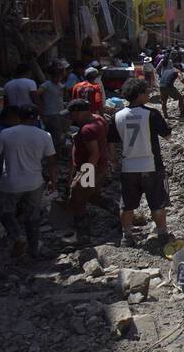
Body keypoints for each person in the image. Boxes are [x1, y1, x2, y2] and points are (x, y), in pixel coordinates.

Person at [107, 78, 173, 246]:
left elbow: (112, 143)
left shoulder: (117, 116)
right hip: (151, 166)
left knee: (127, 204)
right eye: (147, 92)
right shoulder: (151, 114)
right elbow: (167, 135)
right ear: (140, 95)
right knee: (157, 203)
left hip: (128, 167)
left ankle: (127, 236)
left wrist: (114, 162)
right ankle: (163, 235)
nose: (149, 94)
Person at [0, 104, 57, 258]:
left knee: (2, 210)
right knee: (32, 216)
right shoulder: (45, 135)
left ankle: (17, 236)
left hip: (10, 182)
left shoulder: (5, 133)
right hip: (34, 182)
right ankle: (33, 249)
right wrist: (53, 180)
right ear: (37, 117)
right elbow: (51, 161)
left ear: (19, 117)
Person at [66, 98, 114, 233]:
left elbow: (94, 153)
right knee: (93, 196)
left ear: (80, 113)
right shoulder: (99, 119)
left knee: (77, 200)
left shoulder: (87, 129)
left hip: (91, 168)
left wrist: (83, 175)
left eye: (72, 114)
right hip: (100, 167)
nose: (70, 117)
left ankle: (82, 234)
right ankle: (123, 214)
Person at [38, 65, 68, 153]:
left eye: (60, 76)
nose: (58, 78)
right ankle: (53, 155)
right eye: (56, 76)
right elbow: (37, 94)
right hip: (50, 114)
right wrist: (42, 110)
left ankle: (56, 154)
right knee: (55, 136)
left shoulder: (61, 85)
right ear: (51, 76)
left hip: (60, 113)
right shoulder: (46, 85)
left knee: (59, 135)